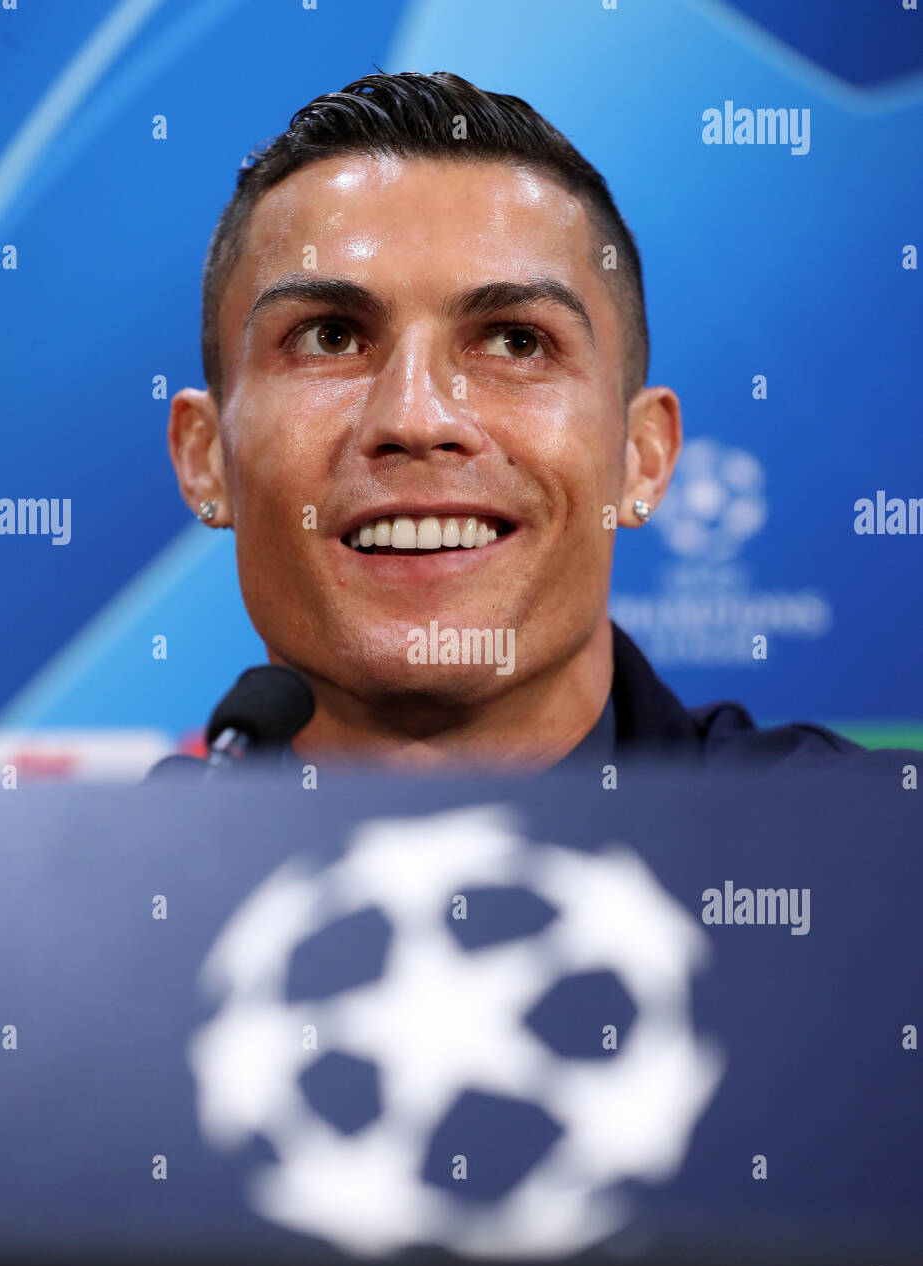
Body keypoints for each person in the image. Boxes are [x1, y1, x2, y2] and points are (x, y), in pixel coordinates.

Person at [165, 70, 863, 774]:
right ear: (204, 459)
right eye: (331, 338)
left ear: (642, 456)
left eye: (515, 342)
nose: (414, 416)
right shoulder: (104, 881)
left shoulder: (874, 851)